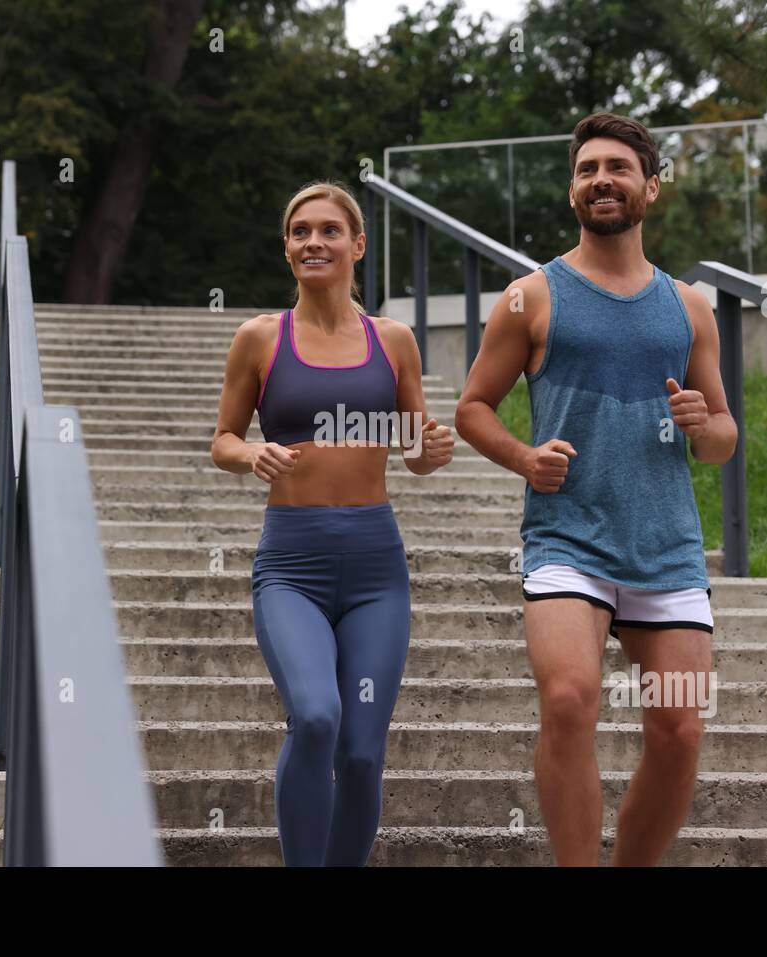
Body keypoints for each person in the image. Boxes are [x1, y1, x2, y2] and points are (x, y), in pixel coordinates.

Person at [455, 112, 739, 866]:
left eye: (616, 167)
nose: (601, 179)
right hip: (567, 539)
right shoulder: (531, 296)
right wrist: (524, 457)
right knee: (571, 697)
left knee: (680, 732)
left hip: (665, 546)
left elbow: (723, 440)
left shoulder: (689, 307)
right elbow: (471, 408)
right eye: (586, 170)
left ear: (650, 186)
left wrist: (699, 421)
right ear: (573, 189)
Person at [211, 180, 454, 866]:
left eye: (328, 230)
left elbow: (414, 448)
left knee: (363, 749)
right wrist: (252, 450)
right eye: (299, 231)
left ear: (358, 244)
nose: (313, 241)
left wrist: (429, 451)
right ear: (287, 247)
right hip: (292, 564)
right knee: (316, 716)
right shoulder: (259, 337)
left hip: (377, 567)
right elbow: (223, 438)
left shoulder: (394, 340)